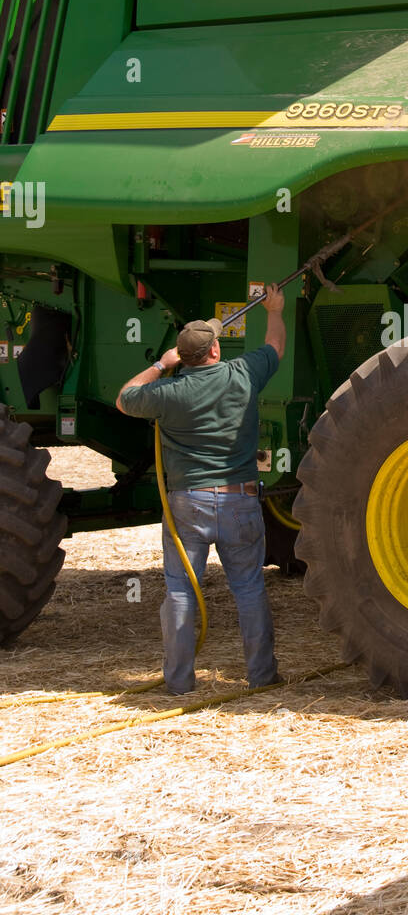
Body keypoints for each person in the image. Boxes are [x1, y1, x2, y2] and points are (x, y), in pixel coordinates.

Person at [116, 285, 287, 695]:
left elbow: (124, 398)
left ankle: (178, 684)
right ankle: (261, 678)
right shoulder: (242, 374)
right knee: (248, 588)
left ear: (184, 357)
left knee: (179, 590)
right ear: (214, 351)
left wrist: (161, 364)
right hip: (239, 500)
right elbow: (275, 346)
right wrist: (275, 310)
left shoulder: (168, 392)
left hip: (187, 503)